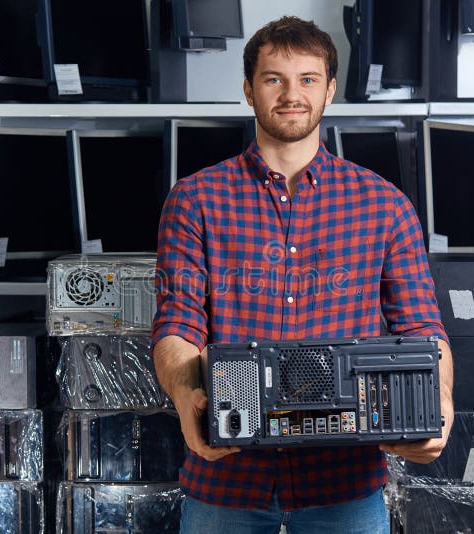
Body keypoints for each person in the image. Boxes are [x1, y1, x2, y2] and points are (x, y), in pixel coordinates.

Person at [152, 15, 453, 534]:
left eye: (308, 79)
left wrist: (439, 403)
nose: (292, 94)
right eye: (274, 79)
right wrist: (185, 396)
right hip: (228, 482)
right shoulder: (195, 200)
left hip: (343, 486)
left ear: (330, 89)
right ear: (248, 89)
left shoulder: (385, 206)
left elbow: (423, 330)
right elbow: (177, 324)